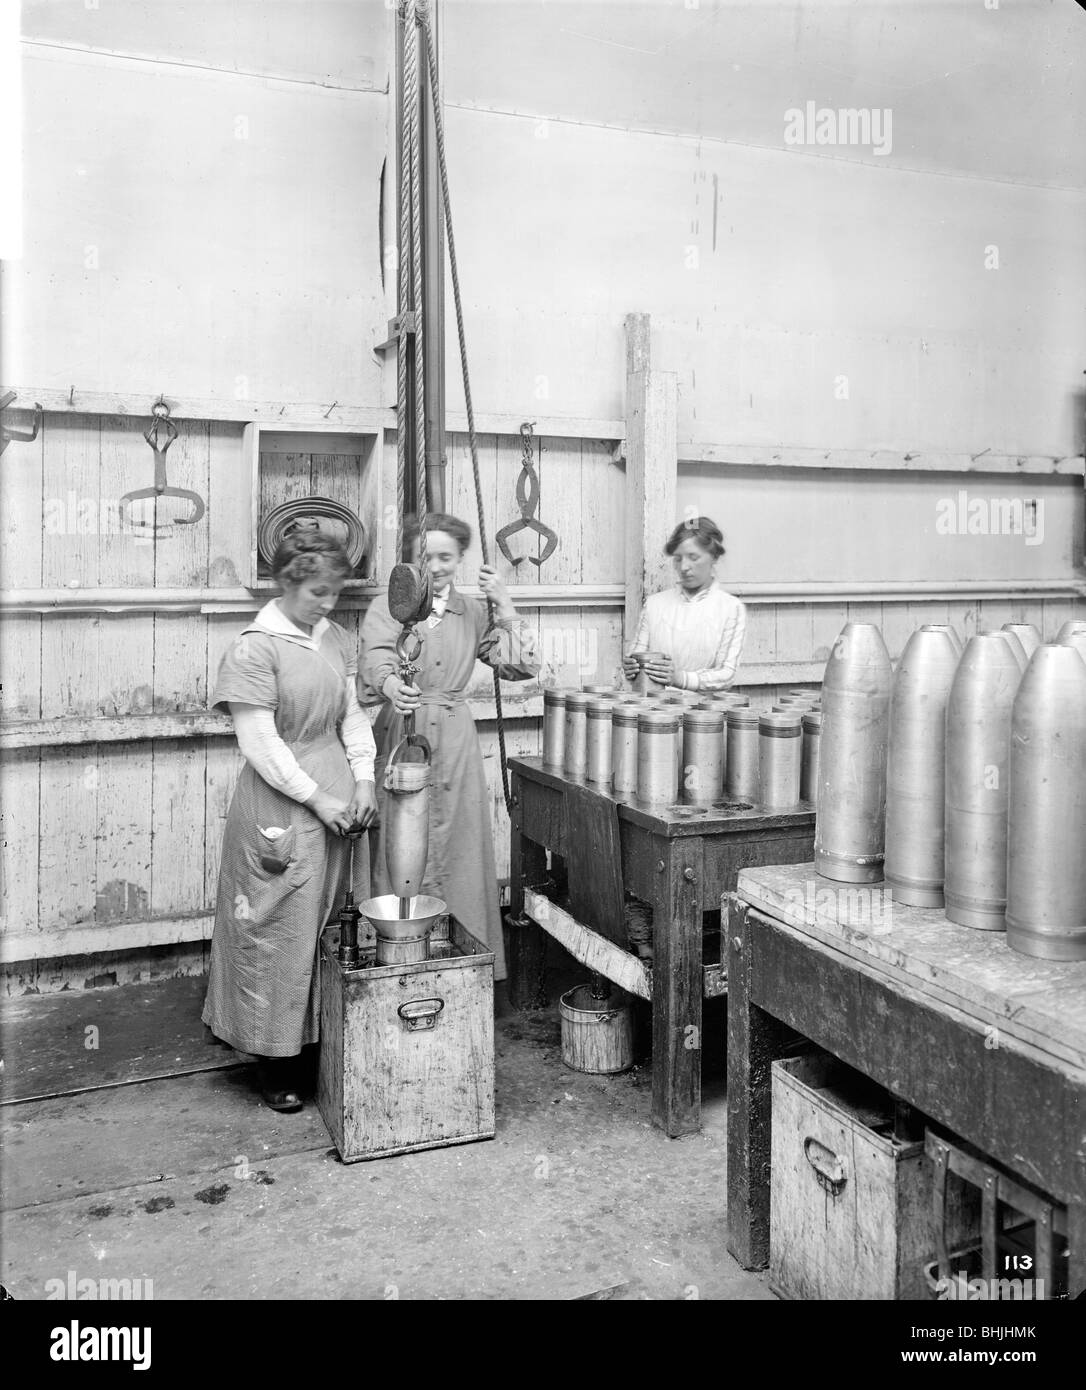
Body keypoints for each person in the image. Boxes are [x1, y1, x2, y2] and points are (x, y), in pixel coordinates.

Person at [202, 532, 378, 1113]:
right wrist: (320, 799)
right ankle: (273, 1059)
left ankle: (315, 1041)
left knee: (327, 920)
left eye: (334, 593)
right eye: (317, 593)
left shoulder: (334, 639)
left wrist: (364, 780)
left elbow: (351, 718)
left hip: (335, 793)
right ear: (287, 585)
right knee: (275, 928)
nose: (327, 603)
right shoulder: (255, 648)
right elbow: (260, 743)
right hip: (281, 803)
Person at [360, 514, 540, 982]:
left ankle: (466, 970)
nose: (435, 566)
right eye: (426, 555)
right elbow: (375, 659)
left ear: (461, 559)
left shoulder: (474, 611)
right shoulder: (387, 606)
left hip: (456, 744)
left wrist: (506, 603)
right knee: (396, 845)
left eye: (445, 556)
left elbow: (523, 668)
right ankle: (393, 968)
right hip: (402, 735)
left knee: (459, 849)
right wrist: (389, 684)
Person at [622, 515, 746, 692]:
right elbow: (636, 655)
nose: (684, 567)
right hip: (655, 713)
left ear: (714, 558)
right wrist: (631, 667)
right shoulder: (655, 605)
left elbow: (726, 674)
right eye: (678, 558)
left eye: (693, 557)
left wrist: (680, 678)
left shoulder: (730, 608)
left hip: (704, 714)